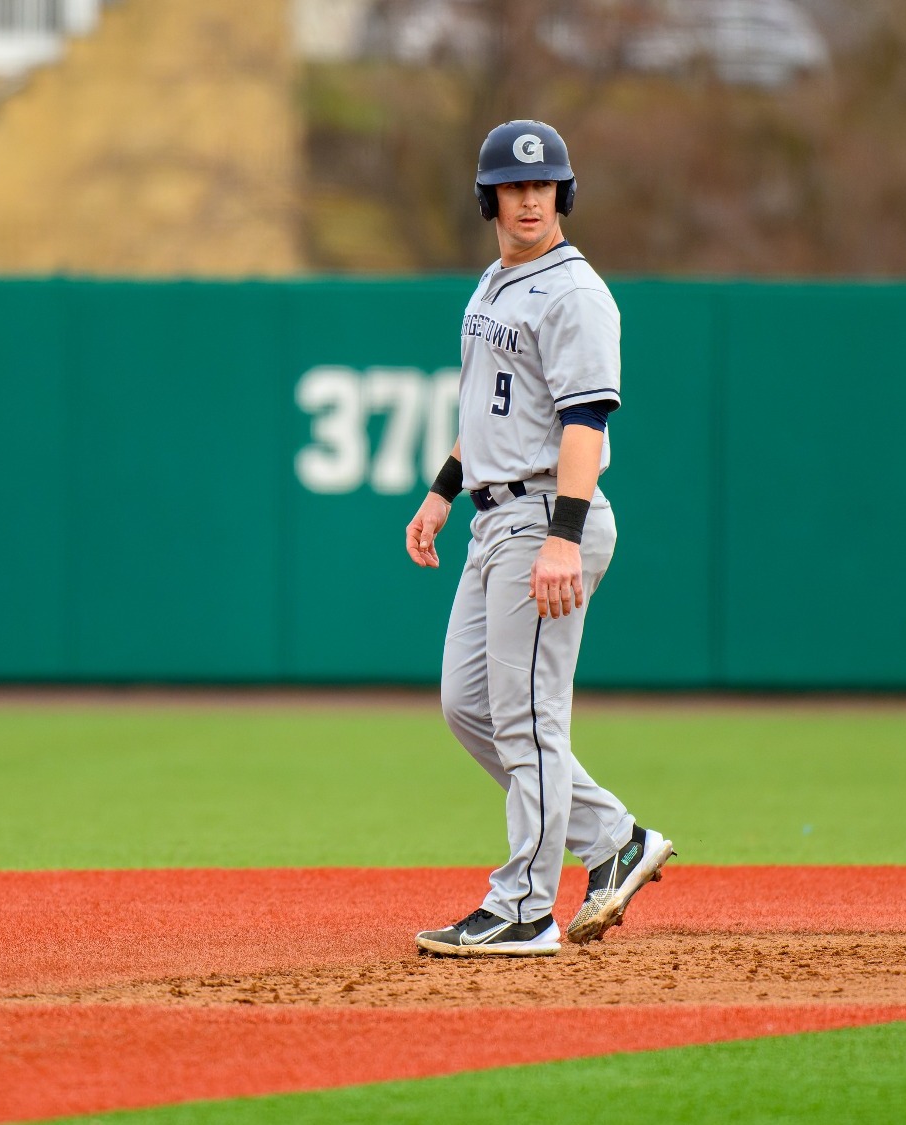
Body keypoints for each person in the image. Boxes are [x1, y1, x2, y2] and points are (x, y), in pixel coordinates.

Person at [406, 120, 672, 957]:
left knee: (528, 720)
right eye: (515, 186)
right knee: (470, 706)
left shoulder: (576, 293)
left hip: (547, 520)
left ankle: (524, 906)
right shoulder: (494, 281)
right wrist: (443, 491)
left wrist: (563, 538)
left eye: (544, 184)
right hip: (494, 514)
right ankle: (615, 838)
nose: (530, 198)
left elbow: (583, 422)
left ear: (563, 193)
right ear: (489, 197)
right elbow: (490, 407)